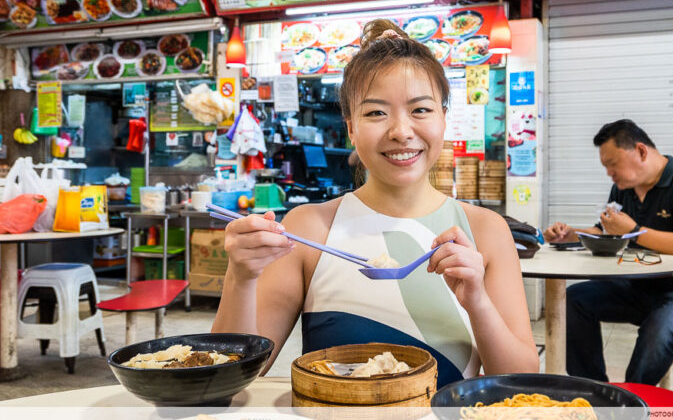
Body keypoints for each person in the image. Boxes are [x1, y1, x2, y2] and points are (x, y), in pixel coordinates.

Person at [213, 20, 539, 386]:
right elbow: (230, 376)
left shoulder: (484, 230)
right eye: (376, 113)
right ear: (351, 128)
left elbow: (521, 383)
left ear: (444, 119)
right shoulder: (308, 229)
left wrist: (477, 302)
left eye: (420, 110)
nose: (401, 131)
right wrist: (241, 276)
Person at [543, 119, 673, 385]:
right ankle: (593, 391)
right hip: (641, 290)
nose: (609, 173)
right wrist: (571, 234)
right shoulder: (625, 190)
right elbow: (608, 231)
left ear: (641, 151)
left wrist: (635, 229)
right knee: (572, 300)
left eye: (612, 164)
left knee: (661, 326)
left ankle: (632, 403)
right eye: (605, 166)